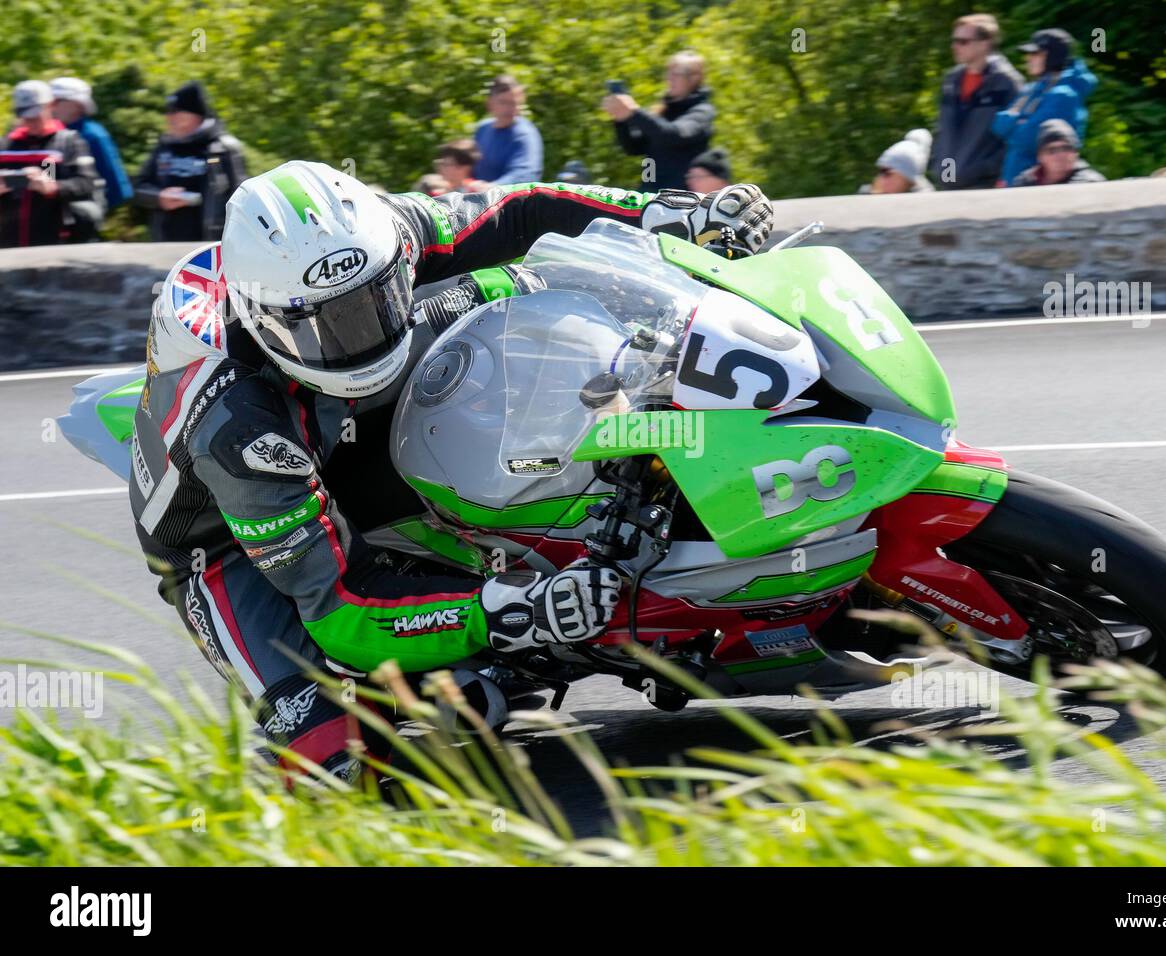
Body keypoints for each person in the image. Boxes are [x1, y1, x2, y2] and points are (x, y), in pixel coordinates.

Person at [129, 161, 774, 780]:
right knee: (335, 761)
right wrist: (512, 613)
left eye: (376, 302)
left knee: (531, 285)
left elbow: (517, 213)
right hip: (222, 535)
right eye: (332, 325)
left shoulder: (376, 234)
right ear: (267, 317)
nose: (363, 336)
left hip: (342, 411)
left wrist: (666, 213)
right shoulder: (238, 425)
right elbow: (340, 606)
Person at [133, 81, 247, 241]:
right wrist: (159, 197)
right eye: (168, 111)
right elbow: (138, 188)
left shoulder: (223, 148)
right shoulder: (164, 148)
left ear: (195, 114)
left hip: (210, 247)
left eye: (176, 111)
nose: (169, 117)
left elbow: (242, 198)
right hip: (164, 245)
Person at [992, 28, 1096, 186]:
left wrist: (1014, 122)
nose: (1028, 58)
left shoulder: (1063, 96)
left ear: (1052, 57)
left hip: (1043, 185)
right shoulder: (1032, 89)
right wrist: (1016, 124)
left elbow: (1026, 141)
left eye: (1035, 54)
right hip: (1020, 181)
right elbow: (998, 126)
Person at [930, 13, 1023, 190]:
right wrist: (939, 167)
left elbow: (1015, 139)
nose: (955, 46)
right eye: (954, 41)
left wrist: (987, 170)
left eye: (962, 41)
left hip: (985, 186)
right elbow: (943, 131)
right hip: (948, 183)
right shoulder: (951, 80)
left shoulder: (1007, 83)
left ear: (984, 43)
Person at [0, 80, 97, 247]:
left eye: (36, 115)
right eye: (25, 116)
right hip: (8, 241)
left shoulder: (69, 141)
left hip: (53, 239)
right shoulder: (6, 145)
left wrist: (52, 187)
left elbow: (86, 183)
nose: (30, 122)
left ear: (51, 105)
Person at [604, 51, 715, 190]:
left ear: (694, 78)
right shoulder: (663, 110)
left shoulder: (702, 111)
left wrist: (633, 111)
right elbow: (634, 148)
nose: (669, 79)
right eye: (668, 73)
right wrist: (621, 119)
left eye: (676, 74)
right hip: (650, 196)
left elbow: (671, 135)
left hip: (679, 202)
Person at [50, 76, 133, 210]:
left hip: (80, 222)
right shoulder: (47, 135)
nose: (49, 106)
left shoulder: (93, 135)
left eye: (57, 101)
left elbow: (116, 187)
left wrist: (92, 213)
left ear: (78, 105)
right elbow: (49, 175)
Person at [472, 75, 543, 185]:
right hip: (479, 198)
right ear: (489, 103)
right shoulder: (482, 129)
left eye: (514, 103)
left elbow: (526, 174)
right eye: (503, 102)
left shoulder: (525, 134)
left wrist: (490, 188)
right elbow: (468, 167)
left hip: (511, 200)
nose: (509, 109)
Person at [1009, 119, 1105, 186]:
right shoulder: (1024, 184)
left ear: (1076, 153)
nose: (1060, 155)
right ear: (1040, 156)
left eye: (1066, 148)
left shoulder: (1090, 184)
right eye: (1052, 150)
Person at [864, 129, 935, 194]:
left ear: (908, 177)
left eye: (887, 174)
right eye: (880, 172)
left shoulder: (925, 200)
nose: (880, 181)